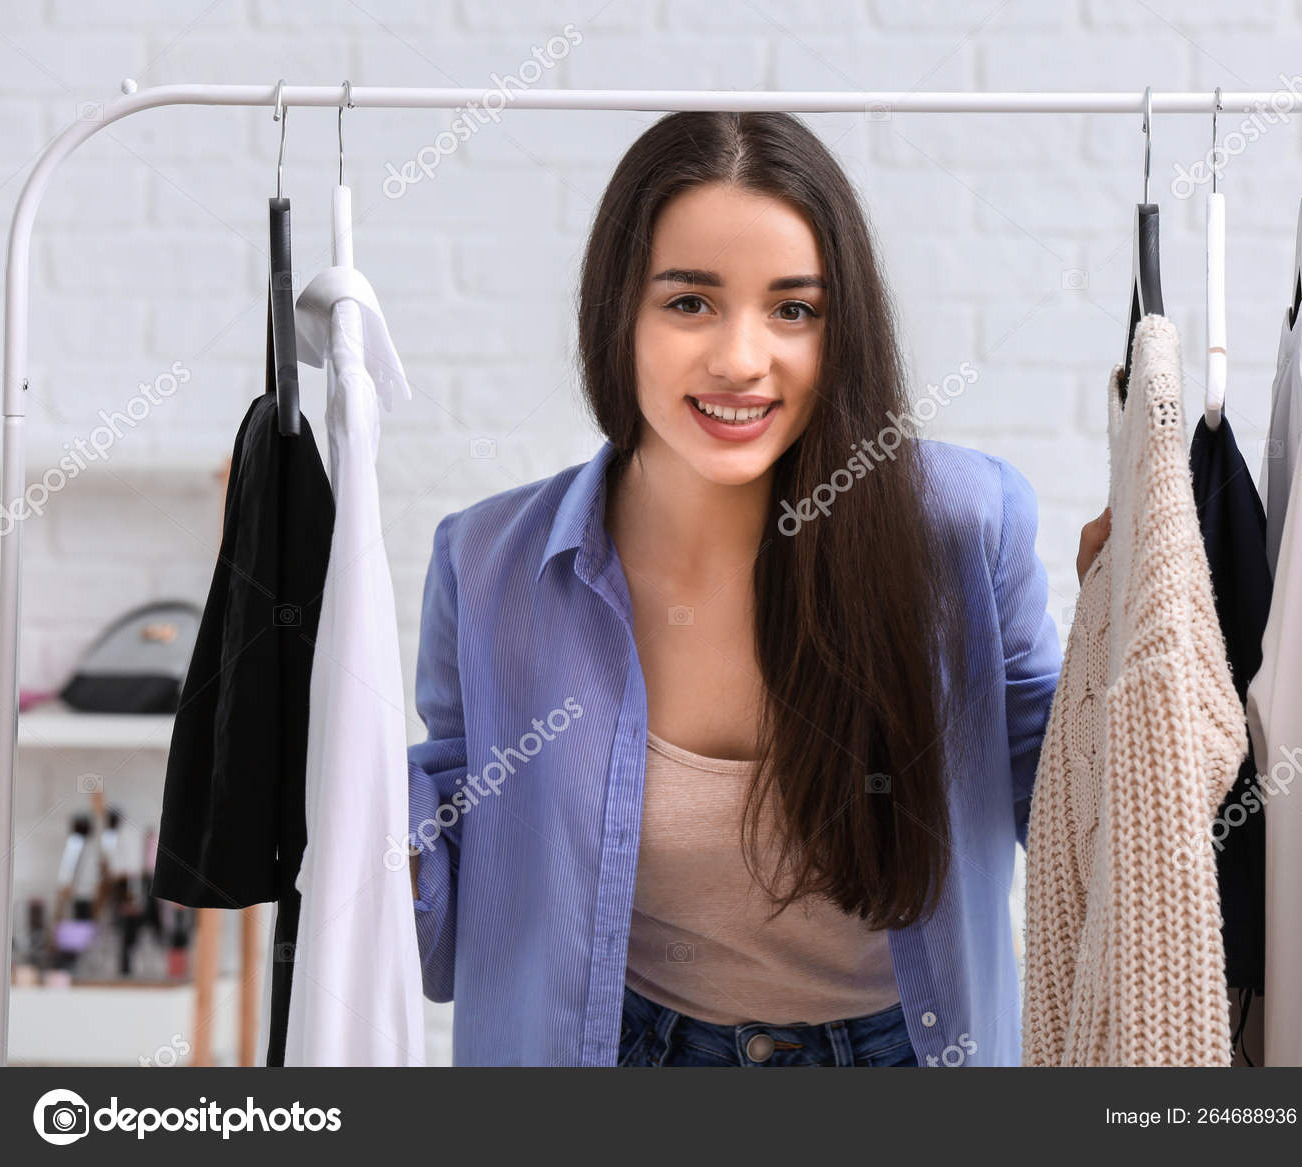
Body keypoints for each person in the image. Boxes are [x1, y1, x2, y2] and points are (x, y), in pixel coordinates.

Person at [405, 110, 1095, 1068]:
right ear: (620, 315)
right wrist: (362, 804)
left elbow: (1070, 820)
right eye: (690, 302)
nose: (740, 357)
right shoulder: (490, 565)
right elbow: (443, 925)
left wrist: (1127, 633)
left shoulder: (963, 531)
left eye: (793, 309)